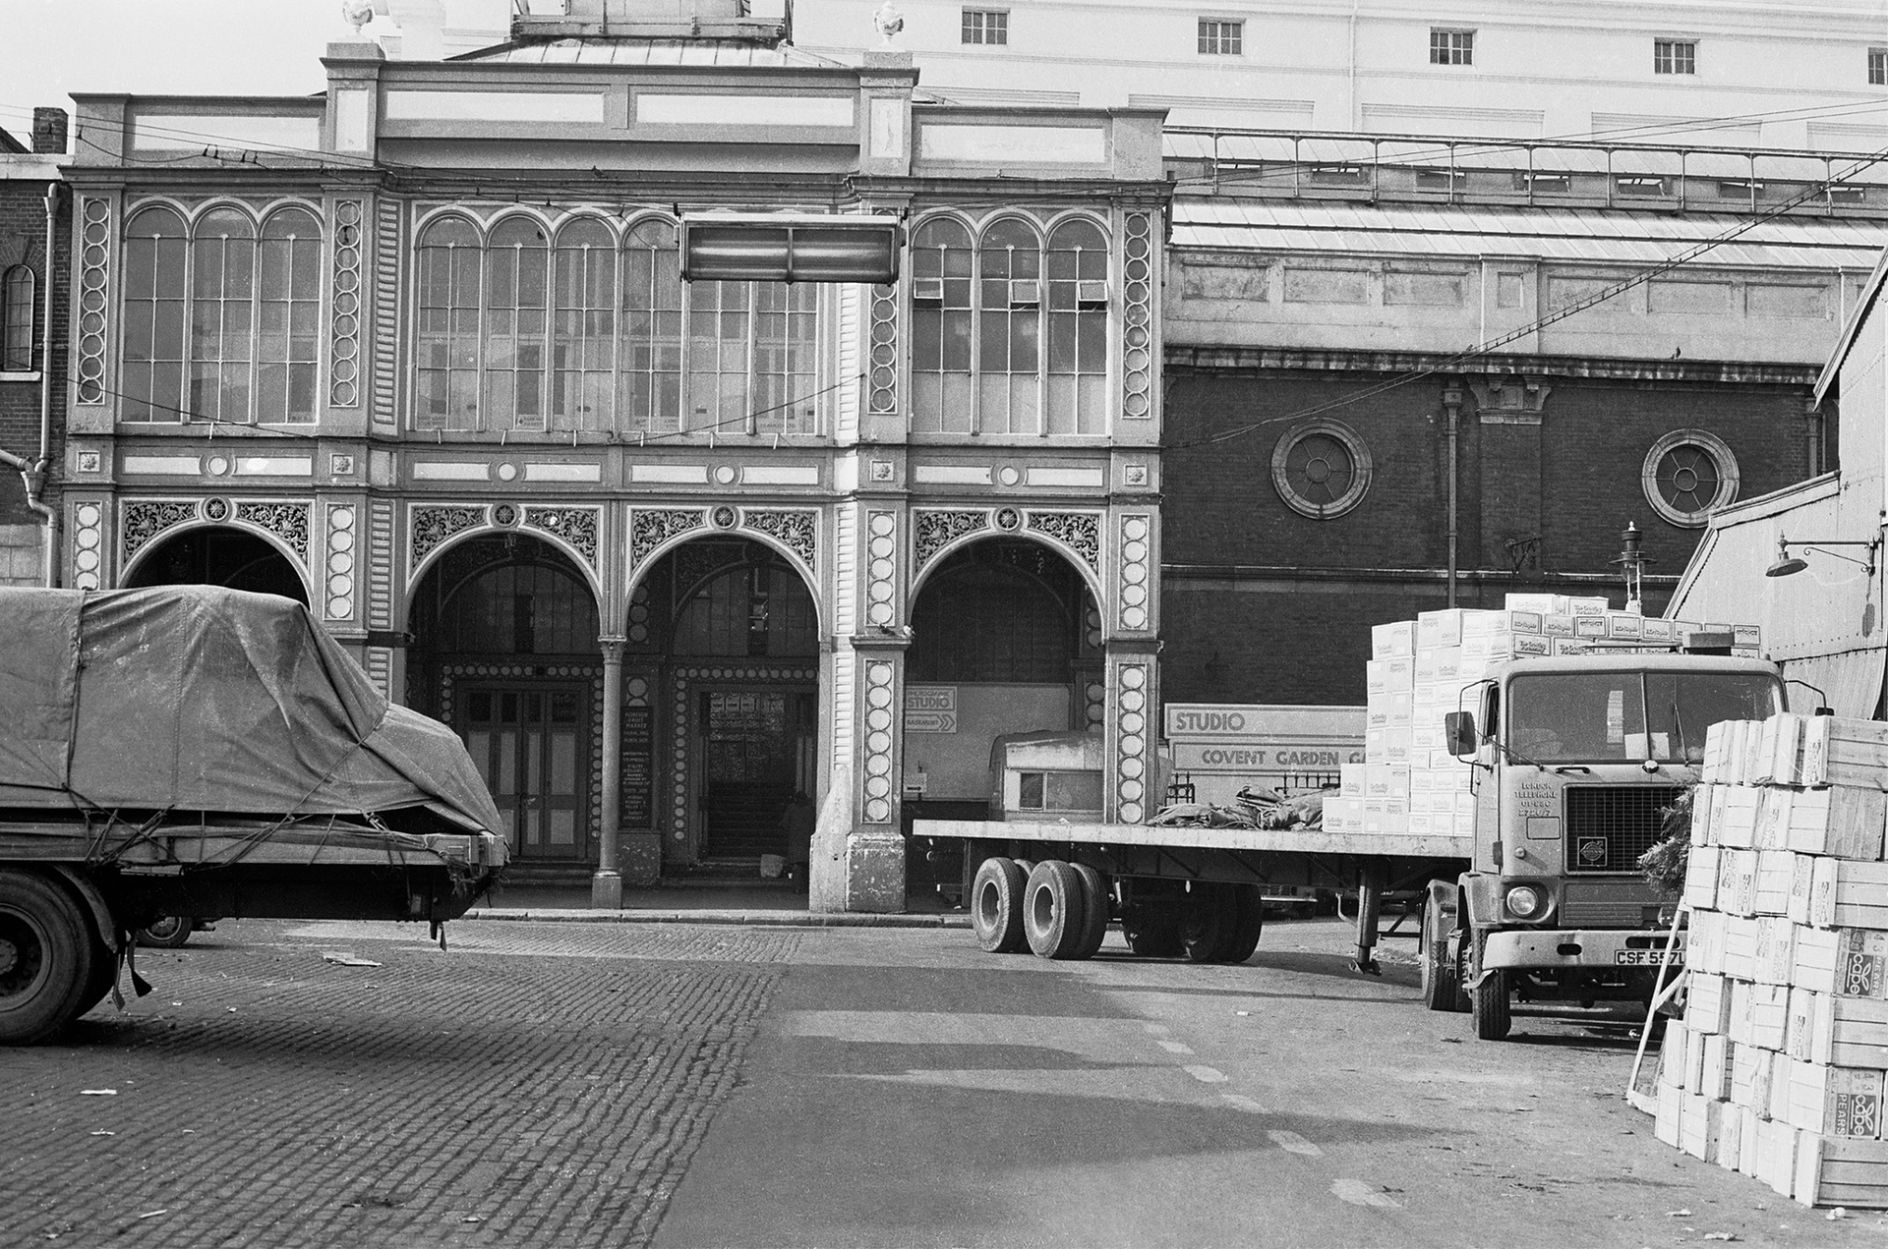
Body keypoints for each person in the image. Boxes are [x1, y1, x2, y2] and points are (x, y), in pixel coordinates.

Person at [781, 790, 815, 885]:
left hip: (795, 840)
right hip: (806, 840)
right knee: (805, 863)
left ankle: (797, 886)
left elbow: (785, 824)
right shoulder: (810, 810)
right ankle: (803, 885)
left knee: (796, 864)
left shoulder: (791, 809)